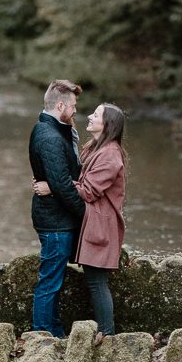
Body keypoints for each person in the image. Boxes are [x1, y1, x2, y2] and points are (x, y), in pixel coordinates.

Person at [34, 103, 126, 342]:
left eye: (96, 115)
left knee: (97, 280)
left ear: (108, 125)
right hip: (91, 220)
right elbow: (74, 170)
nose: (90, 116)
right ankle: (105, 331)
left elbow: (87, 191)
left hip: (101, 225)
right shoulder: (95, 147)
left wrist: (52, 186)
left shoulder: (110, 155)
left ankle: (107, 332)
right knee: (93, 279)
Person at [28, 79, 85, 337]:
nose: (75, 110)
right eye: (72, 105)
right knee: (49, 282)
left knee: (54, 280)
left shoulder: (57, 129)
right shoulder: (49, 136)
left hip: (56, 218)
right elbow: (62, 185)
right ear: (60, 104)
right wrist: (86, 213)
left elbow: (60, 178)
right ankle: (41, 335)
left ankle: (55, 330)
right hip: (55, 221)